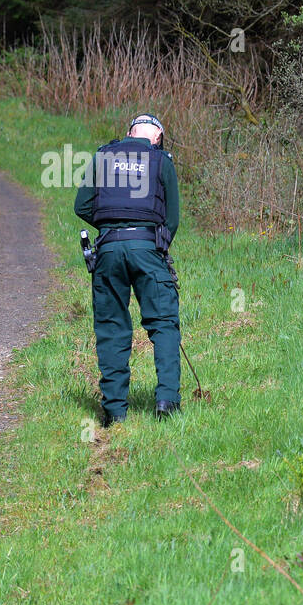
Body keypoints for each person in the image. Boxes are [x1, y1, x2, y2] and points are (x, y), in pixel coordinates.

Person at [74, 113, 181, 426]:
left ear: (129, 133)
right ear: (157, 138)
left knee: (111, 326)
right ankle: (167, 401)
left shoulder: (103, 156)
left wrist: (112, 227)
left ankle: (114, 412)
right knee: (163, 323)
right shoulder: (162, 162)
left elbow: (81, 206)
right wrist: (152, 239)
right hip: (148, 250)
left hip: (107, 250)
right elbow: (172, 218)